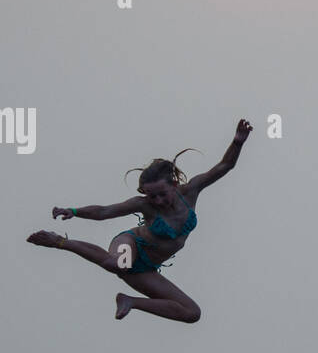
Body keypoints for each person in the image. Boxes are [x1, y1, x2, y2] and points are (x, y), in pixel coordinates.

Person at [27, 119, 252, 322]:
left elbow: (224, 166)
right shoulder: (143, 204)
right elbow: (105, 211)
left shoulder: (191, 190)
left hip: (146, 269)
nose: (158, 200)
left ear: (174, 184)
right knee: (118, 264)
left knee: (192, 313)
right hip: (132, 243)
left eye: (162, 193)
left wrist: (237, 142)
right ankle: (60, 242)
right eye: (151, 195)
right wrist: (74, 211)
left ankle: (130, 301)